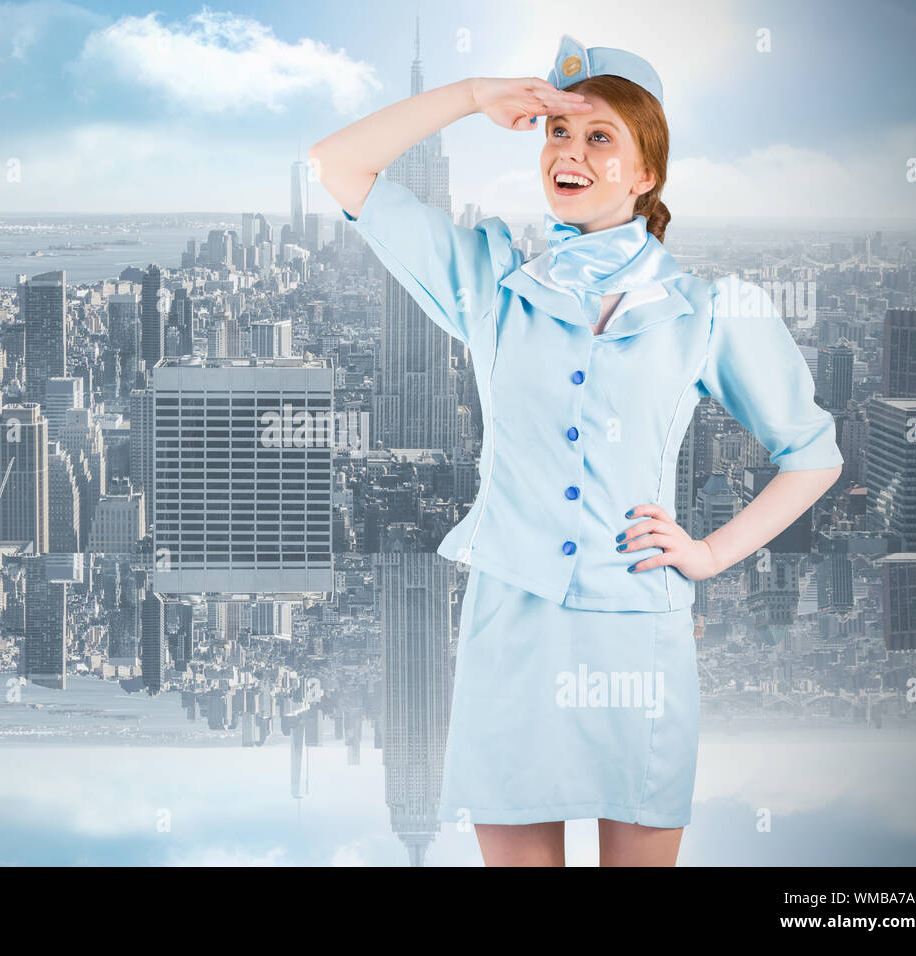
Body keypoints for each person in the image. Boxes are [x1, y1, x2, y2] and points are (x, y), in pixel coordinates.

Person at [308, 35, 843, 866]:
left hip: (638, 632)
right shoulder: (491, 287)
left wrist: (707, 554)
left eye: (601, 138)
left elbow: (813, 454)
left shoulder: (710, 310)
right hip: (509, 628)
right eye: (559, 132)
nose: (571, 152)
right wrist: (472, 93)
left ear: (645, 174)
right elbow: (338, 163)